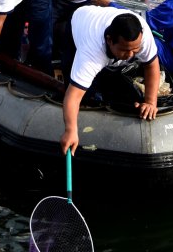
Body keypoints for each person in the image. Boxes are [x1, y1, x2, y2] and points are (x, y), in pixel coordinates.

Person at [59, 8, 161, 154]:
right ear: (109, 40)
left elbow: (151, 66)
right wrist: (70, 130)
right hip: (79, 21)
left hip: (104, 20)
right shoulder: (91, 52)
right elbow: (73, 95)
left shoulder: (143, 36)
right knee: (85, 95)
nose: (131, 54)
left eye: (135, 50)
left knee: (127, 92)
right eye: (125, 50)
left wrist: (151, 102)